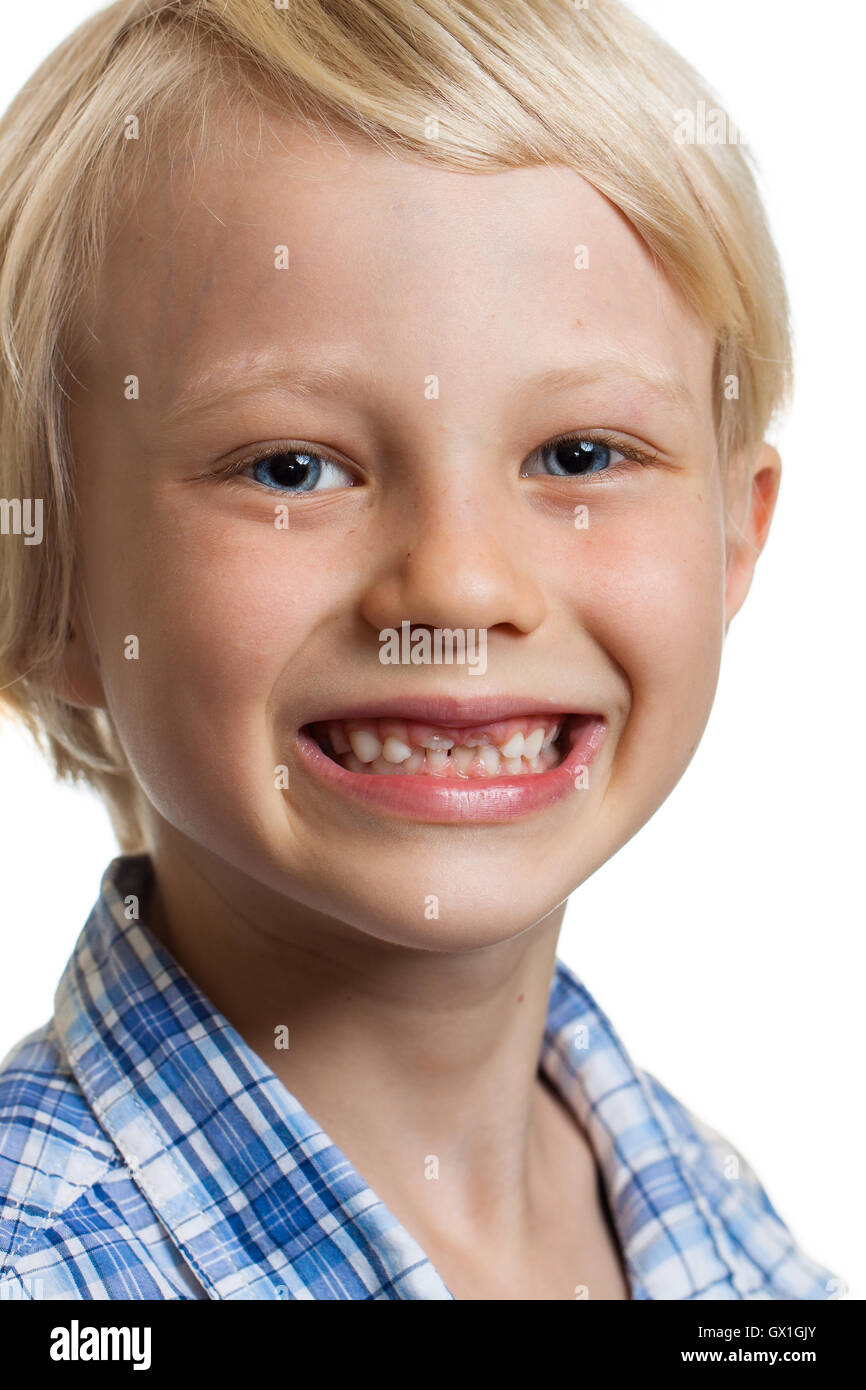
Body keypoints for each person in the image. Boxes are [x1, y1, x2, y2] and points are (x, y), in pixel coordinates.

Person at [0, 0, 840, 1299]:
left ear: (736, 536)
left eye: (579, 456)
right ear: (45, 584)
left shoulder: (728, 1227)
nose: (457, 581)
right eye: (292, 466)